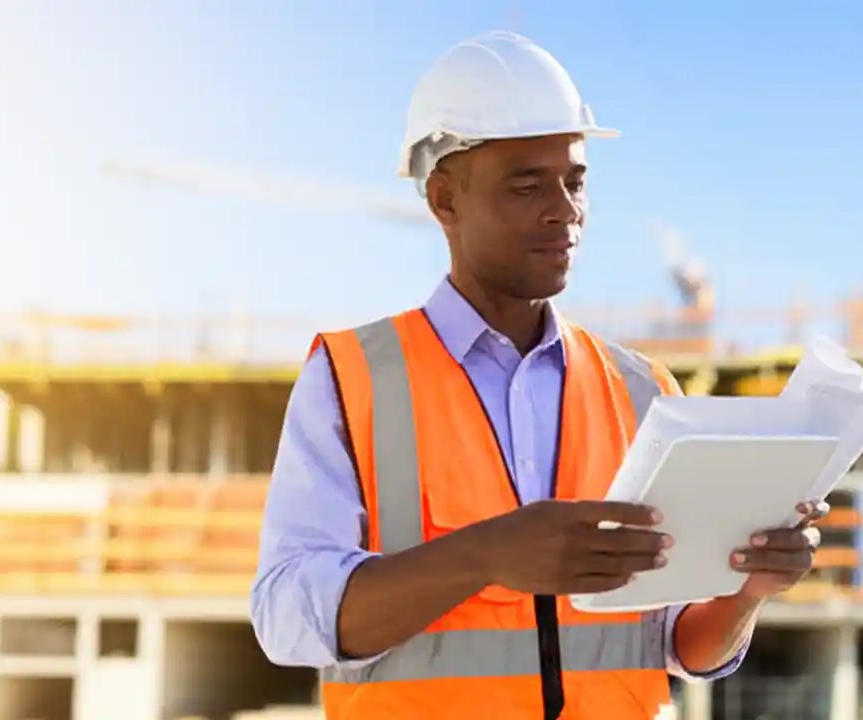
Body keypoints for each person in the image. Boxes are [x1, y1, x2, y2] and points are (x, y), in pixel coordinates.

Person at [249, 30, 827, 720]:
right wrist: (485, 555)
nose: (566, 210)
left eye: (575, 181)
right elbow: (286, 617)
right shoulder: (351, 379)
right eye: (528, 186)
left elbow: (676, 644)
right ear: (444, 199)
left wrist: (747, 592)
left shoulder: (643, 390)